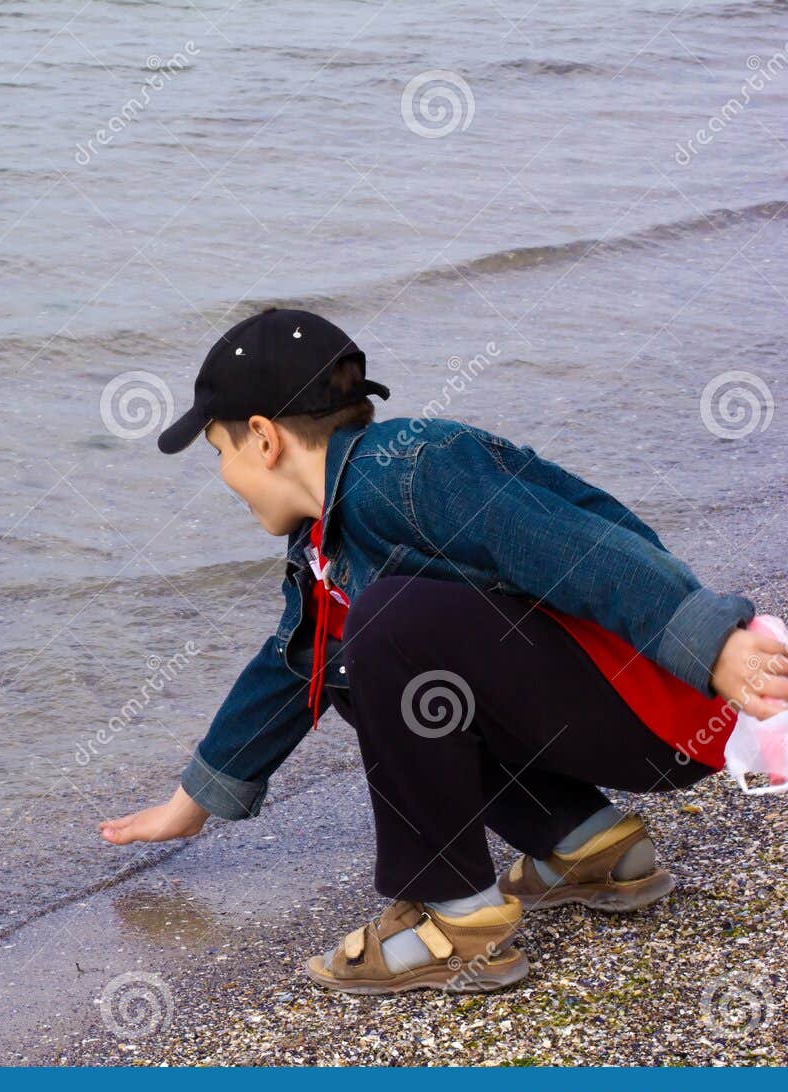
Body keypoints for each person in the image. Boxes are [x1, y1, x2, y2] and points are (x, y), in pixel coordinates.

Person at [98, 307, 788, 994]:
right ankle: (584, 839)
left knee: (388, 627)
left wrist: (712, 641)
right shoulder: (326, 536)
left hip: (672, 699)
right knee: (347, 661)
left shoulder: (409, 468)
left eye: (219, 452)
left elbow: (575, 546)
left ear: (263, 438)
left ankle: (453, 918)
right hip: (615, 715)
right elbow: (293, 664)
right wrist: (196, 797)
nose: (223, 474)